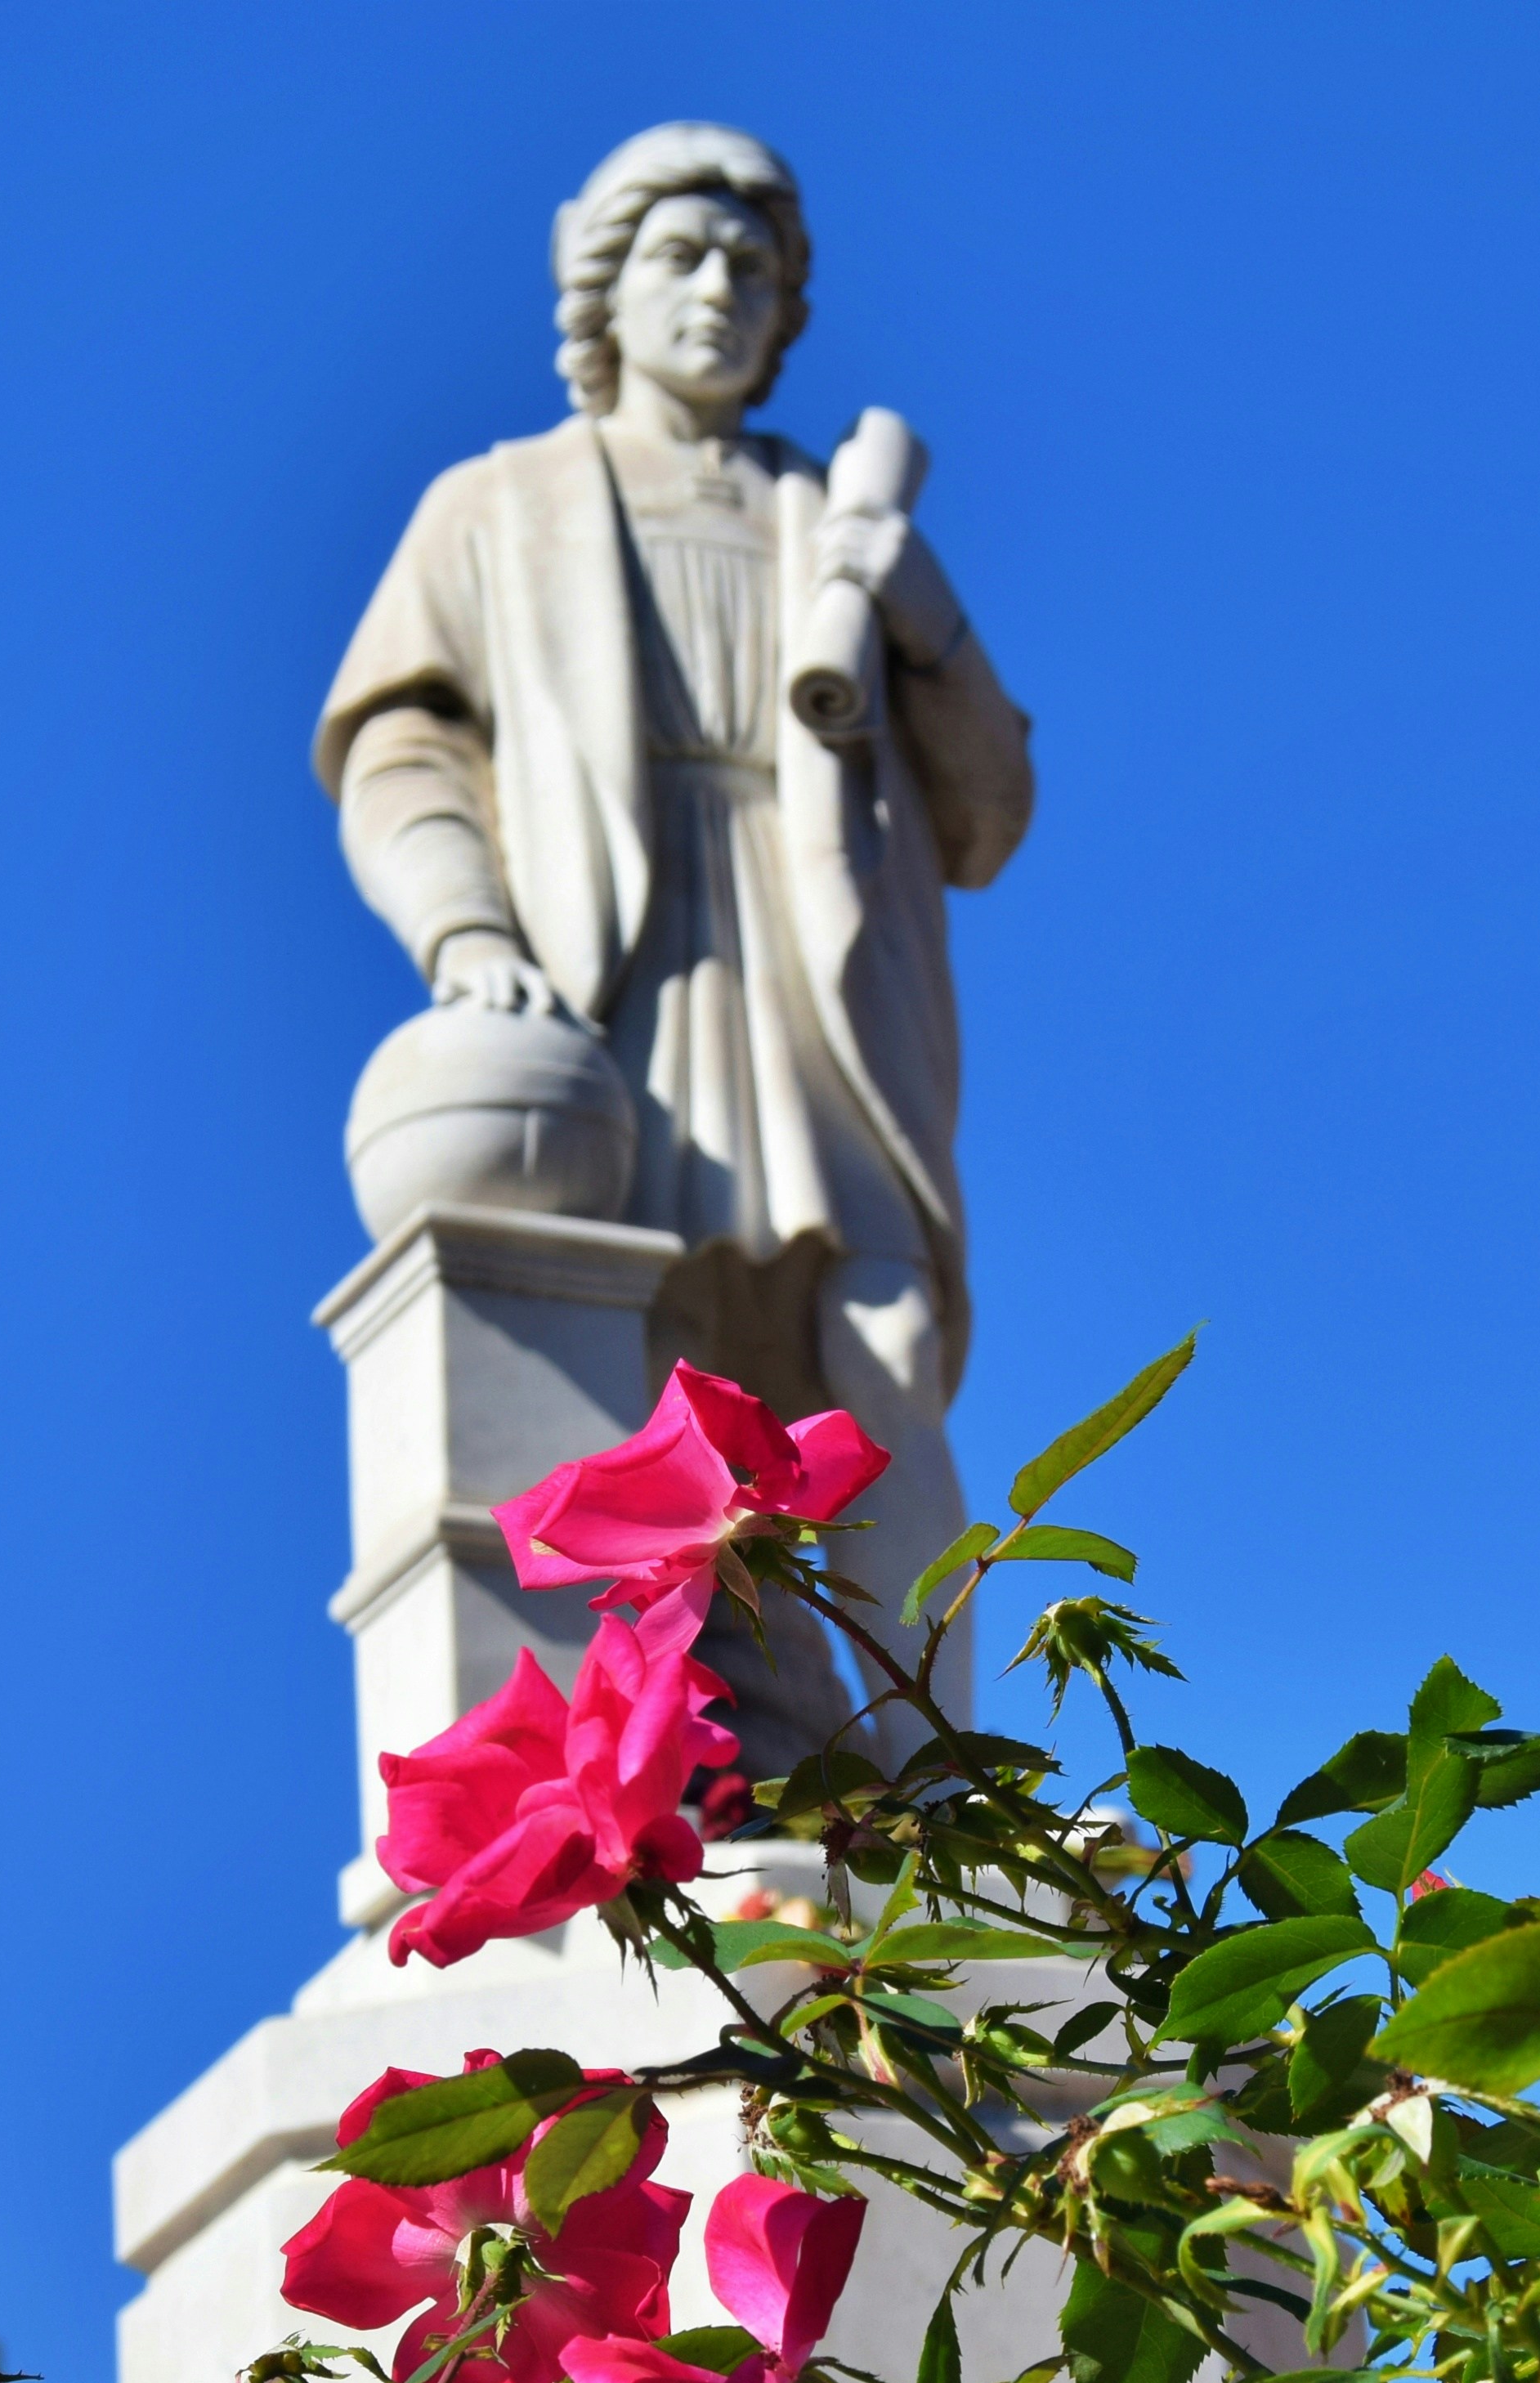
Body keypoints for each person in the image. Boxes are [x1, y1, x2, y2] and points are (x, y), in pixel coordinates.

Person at [316, 121, 1033, 1754]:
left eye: (756, 268)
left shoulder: (830, 519)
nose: (721, 290)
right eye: (683, 258)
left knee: (880, 1346)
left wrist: (919, 613)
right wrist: (465, 928)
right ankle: (712, 1745)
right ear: (608, 291)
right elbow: (399, 749)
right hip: (615, 972)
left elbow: (990, 813)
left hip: (827, 970)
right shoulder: (496, 508)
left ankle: (950, 1776)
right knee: (654, 1363)